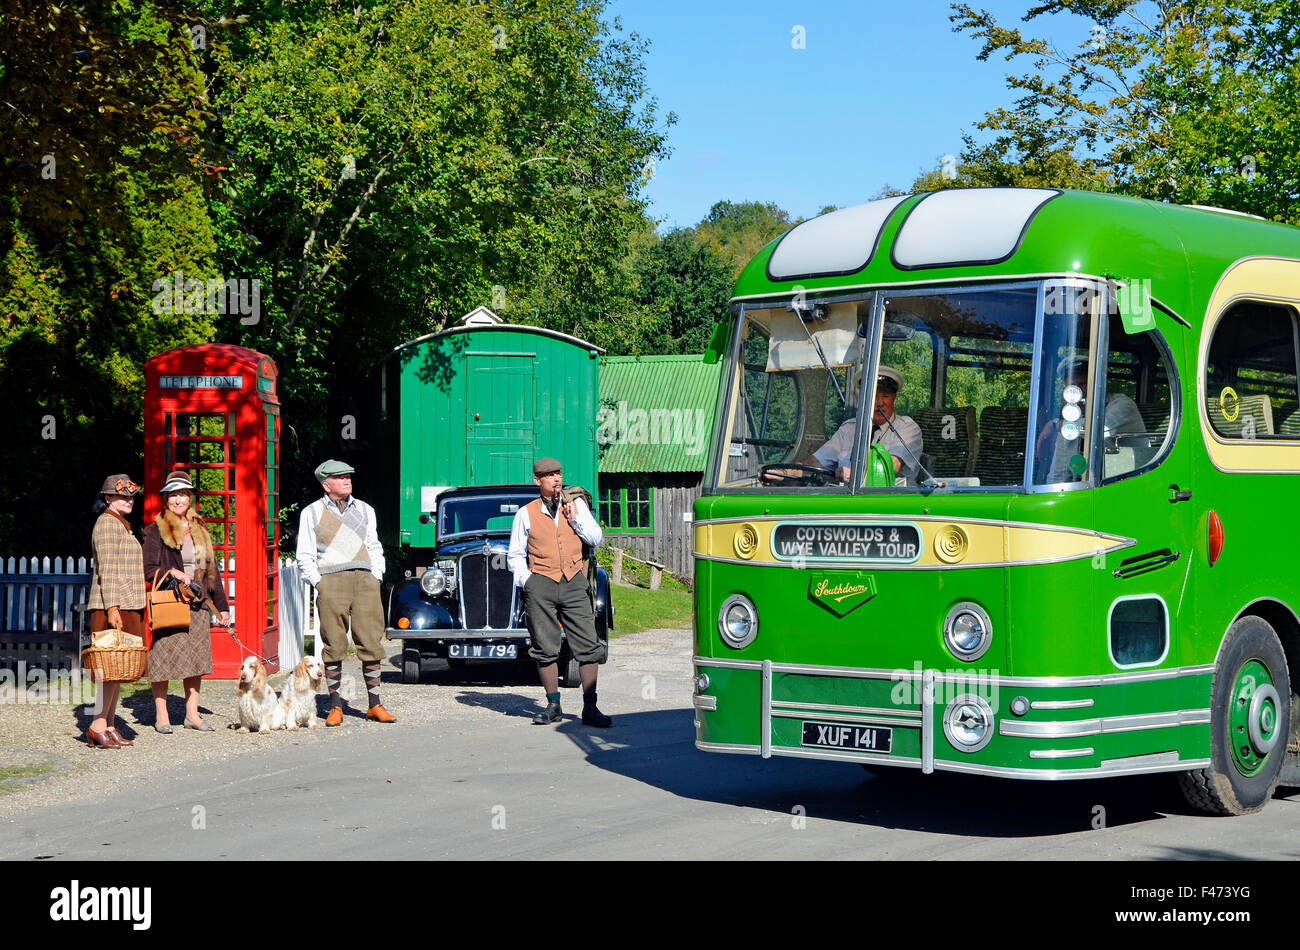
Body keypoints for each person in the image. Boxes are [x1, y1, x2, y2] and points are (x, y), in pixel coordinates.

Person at [507, 457, 610, 727]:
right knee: (545, 646)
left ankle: (590, 707)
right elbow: (515, 554)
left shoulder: (576, 505)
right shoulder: (525, 513)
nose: (556, 479)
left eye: (558, 473)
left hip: (574, 579)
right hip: (540, 582)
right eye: (550, 475)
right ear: (537, 481)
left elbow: (596, 538)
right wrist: (527, 581)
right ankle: (553, 704)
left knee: (588, 645)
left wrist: (575, 521)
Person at [296, 460, 395, 726]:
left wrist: (377, 575)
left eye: (348, 476)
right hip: (331, 579)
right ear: (326, 485)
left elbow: (373, 544)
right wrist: (319, 582)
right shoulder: (312, 512)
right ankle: (335, 706)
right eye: (340, 478)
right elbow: (304, 554)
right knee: (334, 644)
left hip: (364, 579)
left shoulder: (365, 509)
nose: (347, 480)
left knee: (371, 641)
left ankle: (375, 704)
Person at [142, 470, 229, 733]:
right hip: (171, 604)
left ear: (189, 498)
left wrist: (222, 607)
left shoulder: (200, 528)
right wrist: (171, 573)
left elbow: (211, 569)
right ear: (166, 498)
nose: (178, 499)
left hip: (199, 604)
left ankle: (192, 714)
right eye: (173, 495)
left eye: (183, 494)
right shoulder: (155, 530)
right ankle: (162, 715)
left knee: (196, 659)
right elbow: (147, 569)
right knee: (163, 658)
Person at [766, 365, 923, 485]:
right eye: (873, 397)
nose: (879, 403)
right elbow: (815, 462)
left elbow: (891, 467)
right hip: (847, 507)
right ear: (863, 399)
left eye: (885, 396)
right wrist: (783, 472)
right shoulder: (849, 428)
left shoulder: (907, 428)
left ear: (894, 398)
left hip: (893, 510)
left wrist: (856, 475)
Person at [86, 474, 146, 749]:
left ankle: (109, 725)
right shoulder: (107, 524)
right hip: (113, 604)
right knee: (108, 669)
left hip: (126, 603)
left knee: (117, 670)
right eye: (123, 496)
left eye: (131, 496)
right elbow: (108, 570)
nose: (129, 500)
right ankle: (97, 724)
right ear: (108, 499)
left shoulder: (121, 524)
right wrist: (113, 607)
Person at [1035, 357, 1144, 481]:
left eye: (1083, 384)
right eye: (1072, 387)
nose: (1078, 393)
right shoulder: (1071, 421)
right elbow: (1059, 473)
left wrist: (1054, 426)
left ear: (1099, 384)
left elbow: (1101, 429)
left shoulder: (1123, 404)